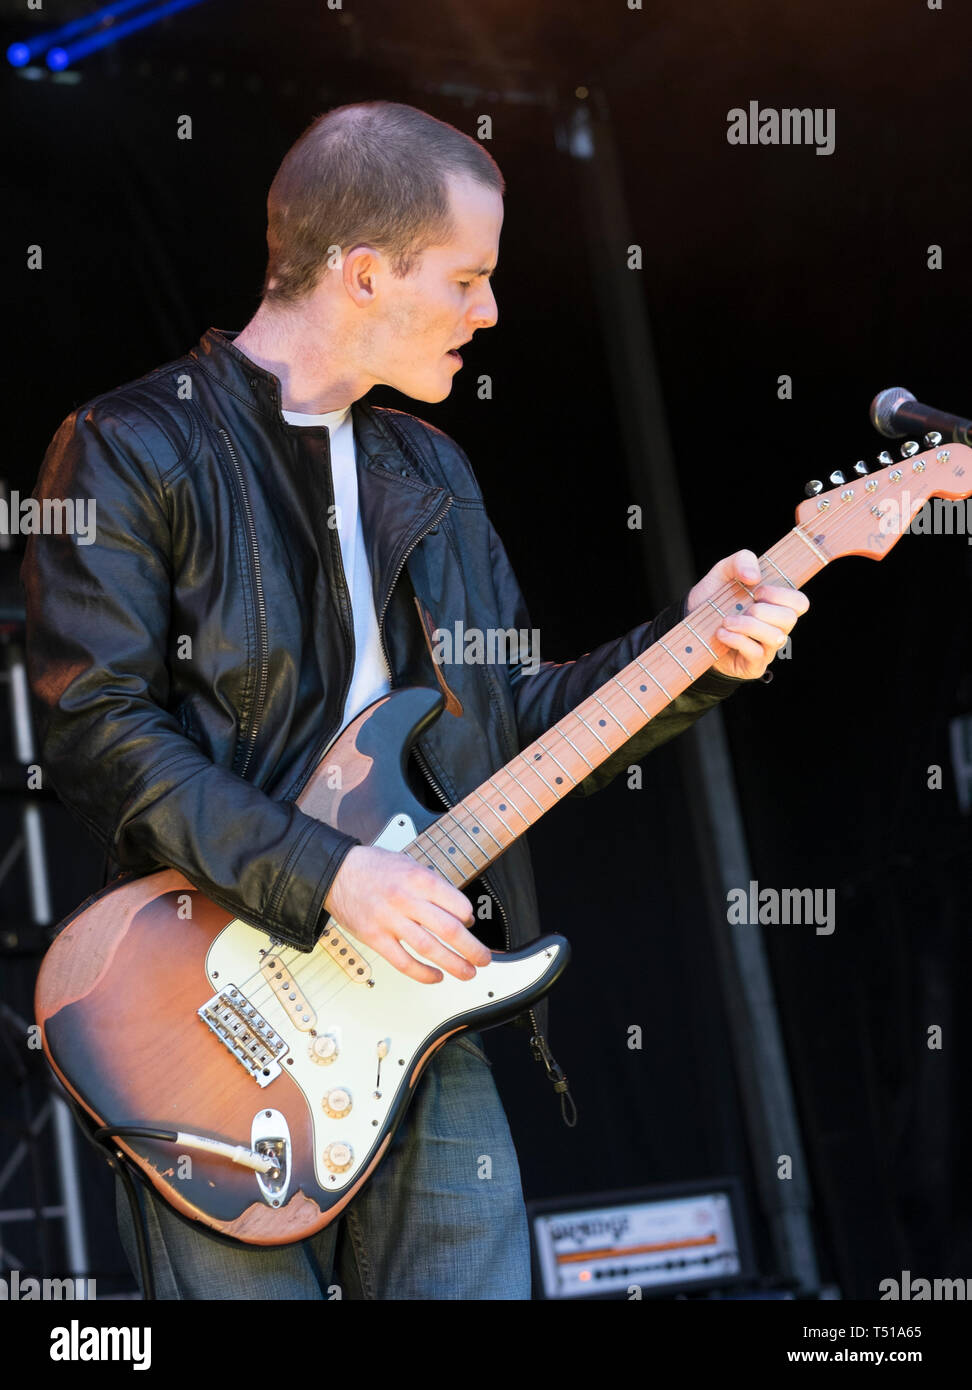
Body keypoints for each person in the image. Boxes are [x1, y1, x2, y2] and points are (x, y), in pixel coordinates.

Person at [21, 101, 808, 1300]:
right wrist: (335, 874)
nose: (490, 311)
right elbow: (99, 733)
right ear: (368, 271)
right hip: (209, 1015)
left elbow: (507, 728)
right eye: (469, 277)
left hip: (416, 1003)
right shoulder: (131, 446)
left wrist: (692, 650)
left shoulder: (429, 464)